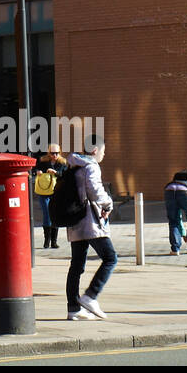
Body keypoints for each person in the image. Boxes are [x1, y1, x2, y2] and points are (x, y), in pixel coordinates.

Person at [65, 135, 116, 321]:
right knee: (110, 258)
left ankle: (73, 308)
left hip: (74, 221)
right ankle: (91, 296)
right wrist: (108, 204)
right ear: (95, 150)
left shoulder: (73, 164)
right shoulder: (91, 166)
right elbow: (95, 191)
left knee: (76, 265)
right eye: (103, 150)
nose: (104, 153)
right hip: (90, 221)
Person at [34, 144, 67, 248]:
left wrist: (55, 172)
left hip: (56, 193)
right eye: (52, 153)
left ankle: (54, 241)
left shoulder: (62, 163)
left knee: (55, 215)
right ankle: (46, 241)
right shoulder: (43, 161)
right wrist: (38, 172)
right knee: (47, 214)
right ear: (49, 153)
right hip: (43, 192)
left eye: (57, 153)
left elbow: (64, 175)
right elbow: (35, 170)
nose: (55, 155)